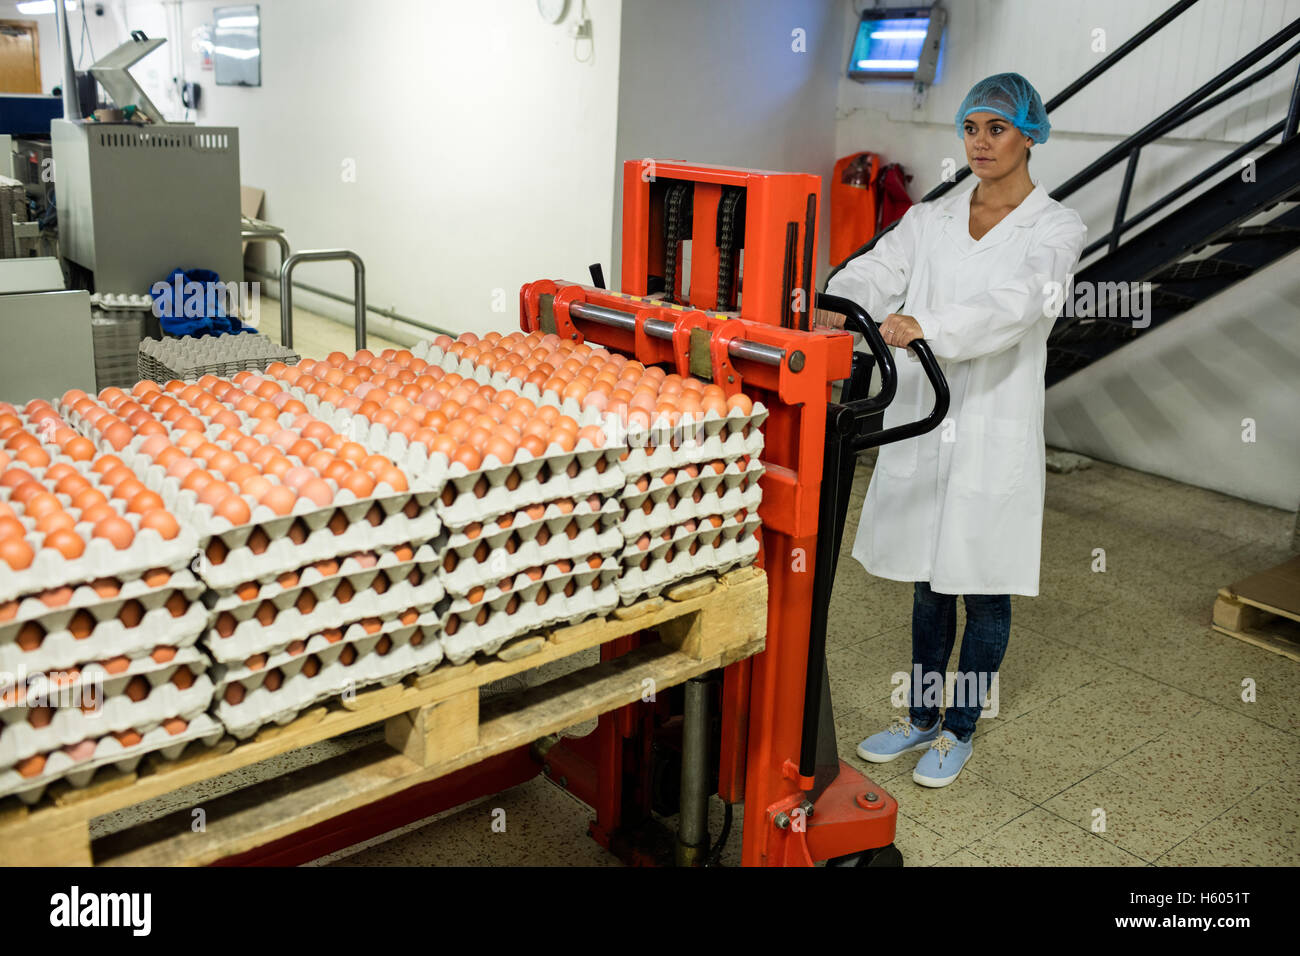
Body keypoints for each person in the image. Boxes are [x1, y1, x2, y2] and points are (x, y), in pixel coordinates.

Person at [817, 73, 1086, 788]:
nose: (981, 142)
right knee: (929, 582)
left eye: (997, 128)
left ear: (1030, 133)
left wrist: (926, 324)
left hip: (992, 422)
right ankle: (923, 715)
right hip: (924, 418)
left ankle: (960, 728)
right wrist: (838, 303)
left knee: (983, 583)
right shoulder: (931, 218)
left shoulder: (1057, 228)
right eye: (971, 128)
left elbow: (1022, 303)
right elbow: (882, 269)